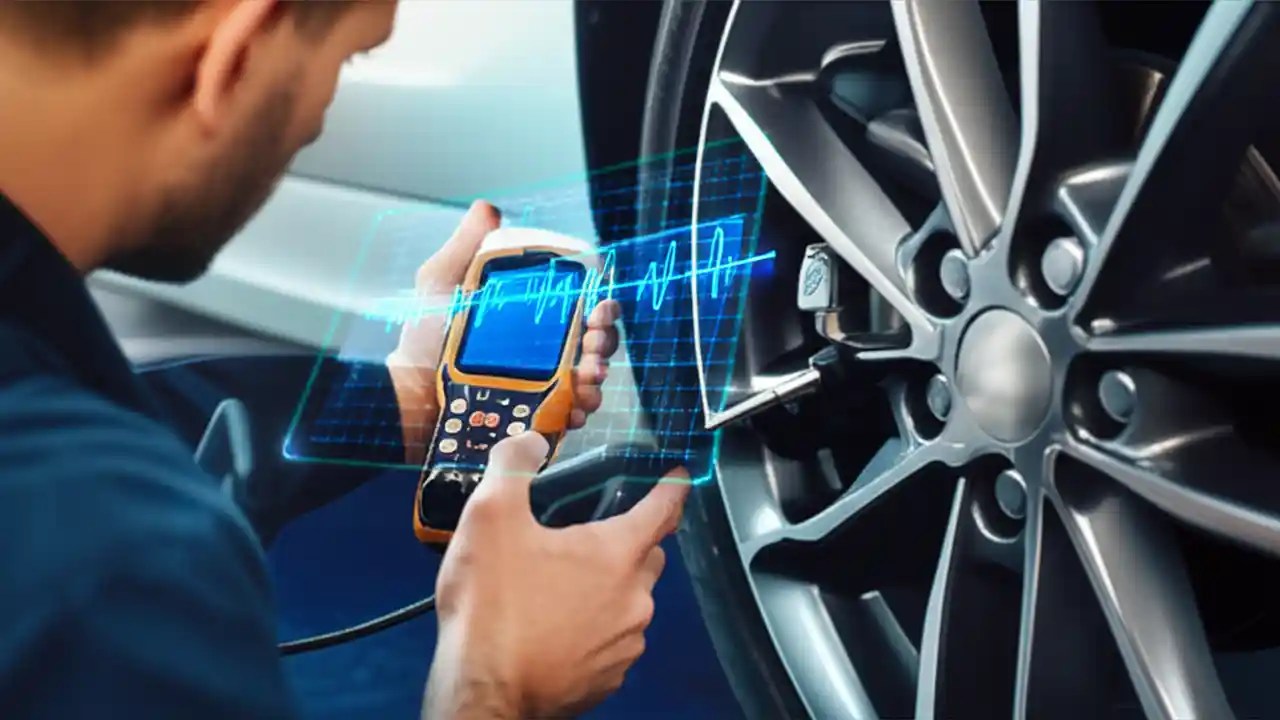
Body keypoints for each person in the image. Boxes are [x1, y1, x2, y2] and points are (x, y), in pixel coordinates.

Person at [0, 2, 690, 719]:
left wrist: (408, 397)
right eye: (350, 58)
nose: (317, 123)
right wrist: (495, 686)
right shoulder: (106, 584)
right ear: (232, 57)